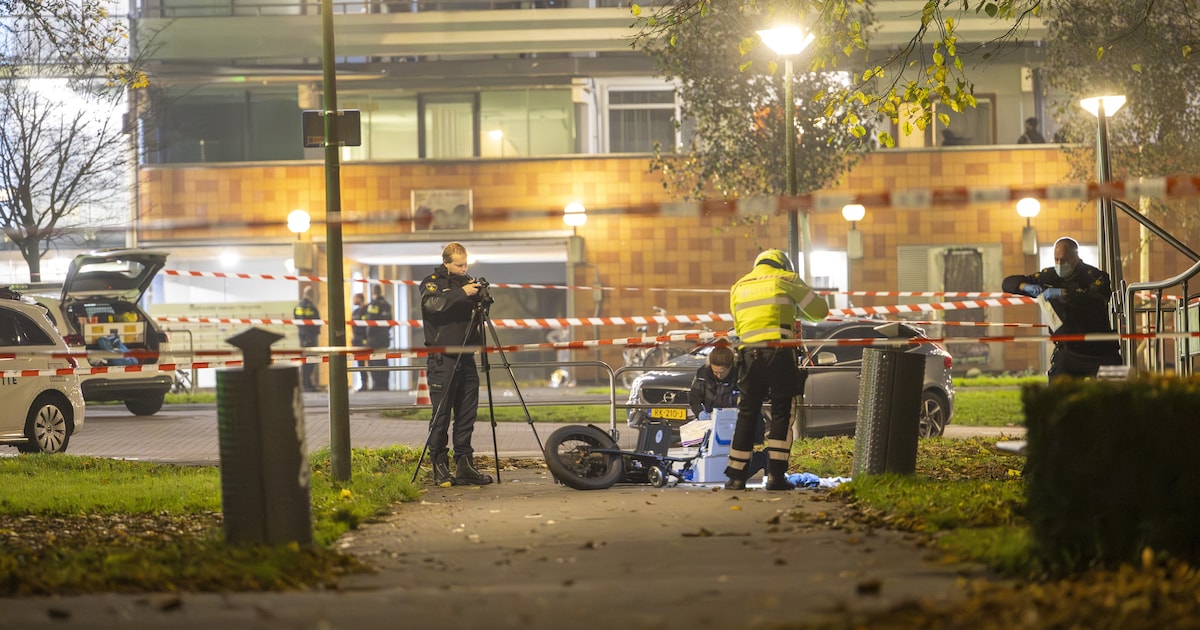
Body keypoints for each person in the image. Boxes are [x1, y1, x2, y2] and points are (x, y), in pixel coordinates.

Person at [724, 249, 829, 491]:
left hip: (749, 355)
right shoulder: (787, 279)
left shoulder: (739, 285)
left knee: (747, 413)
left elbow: (738, 324)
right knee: (782, 411)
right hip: (779, 352)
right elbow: (819, 312)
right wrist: (794, 311)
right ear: (784, 265)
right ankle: (775, 476)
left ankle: (736, 476)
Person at [420, 242, 493, 486]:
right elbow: (433, 306)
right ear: (447, 263)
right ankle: (439, 465)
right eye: (459, 264)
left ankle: (465, 465)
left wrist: (481, 299)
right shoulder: (432, 283)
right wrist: (463, 294)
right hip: (443, 359)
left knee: (466, 414)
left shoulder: (467, 282)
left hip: (467, 357)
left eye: (466, 263)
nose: (464, 268)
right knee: (441, 414)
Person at [1002, 237, 1122, 380]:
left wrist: (1064, 294)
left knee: (1117, 390)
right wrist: (1024, 286)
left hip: (1100, 350)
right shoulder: (1050, 276)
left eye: (1063, 260)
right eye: (1056, 259)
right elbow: (1008, 283)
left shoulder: (1094, 276)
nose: (1059, 264)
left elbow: (1095, 297)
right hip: (1069, 351)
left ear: (1076, 257)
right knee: (1056, 395)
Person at [689, 345, 738, 419]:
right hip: (709, 417)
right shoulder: (703, 374)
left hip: (733, 418)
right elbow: (694, 399)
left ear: (730, 366)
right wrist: (700, 412)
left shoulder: (739, 376)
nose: (719, 376)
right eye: (715, 372)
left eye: (722, 372)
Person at [365, 284, 393, 391]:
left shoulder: (373, 305)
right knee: (384, 360)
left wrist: (369, 336)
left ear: (373, 293)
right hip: (384, 337)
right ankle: (385, 384)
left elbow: (370, 321)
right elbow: (390, 322)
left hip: (375, 338)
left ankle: (377, 384)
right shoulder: (386, 305)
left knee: (374, 361)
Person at [293, 285, 321, 392]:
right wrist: (311, 336)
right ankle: (307, 384)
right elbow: (312, 323)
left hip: (303, 337)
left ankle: (307, 384)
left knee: (307, 361)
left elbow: (298, 322)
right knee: (309, 362)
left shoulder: (299, 306)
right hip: (310, 337)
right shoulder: (310, 307)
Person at [350, 292, 369, 392]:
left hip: (366, 339)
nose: (353, 300)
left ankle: (373, 383)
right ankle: (364, 384)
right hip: (357, 340)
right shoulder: (355, 312)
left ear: (360, 299)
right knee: (360, 362)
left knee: (370, 361)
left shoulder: (367, 310)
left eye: (355, 298)